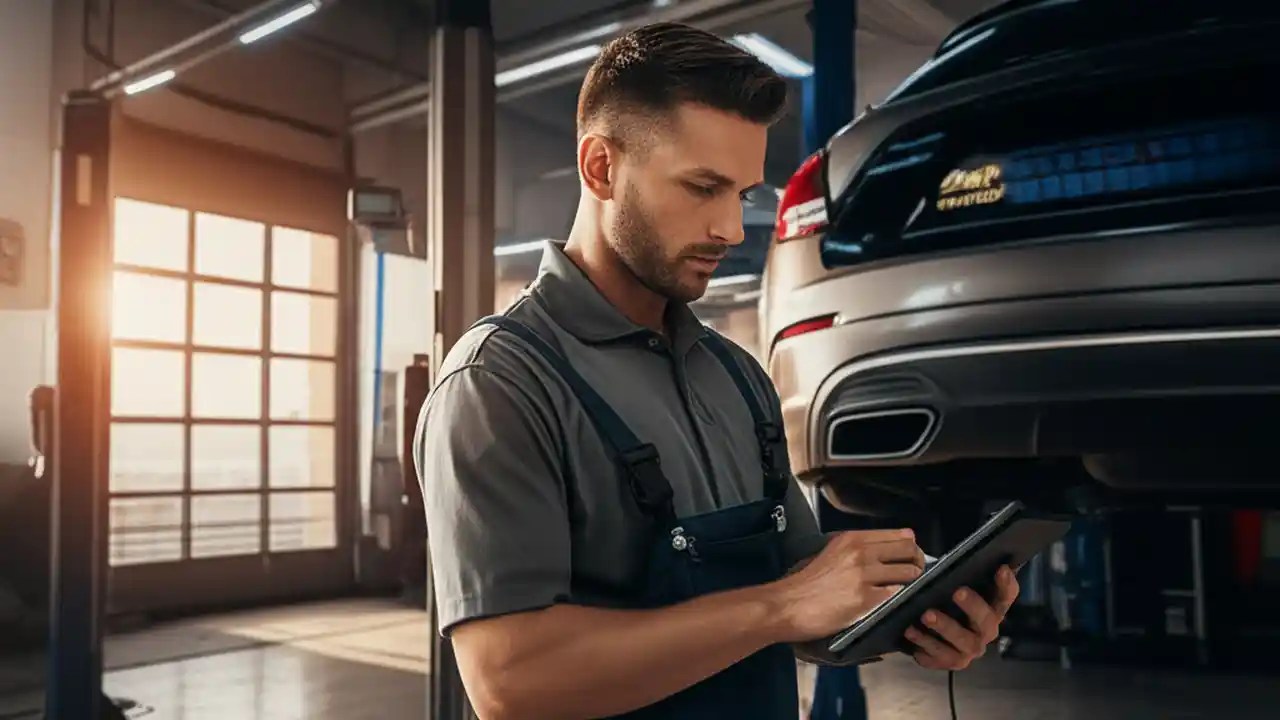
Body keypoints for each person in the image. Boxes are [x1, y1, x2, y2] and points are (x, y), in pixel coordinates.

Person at [415, 22, 1020, 719]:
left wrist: (910, 618)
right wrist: (780, 604)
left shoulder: (736, 376)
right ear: (601, 168)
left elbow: (799, 596)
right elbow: (508, 680)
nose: (732, 230)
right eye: (703, 187)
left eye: (742, 194)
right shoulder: (499, 383)